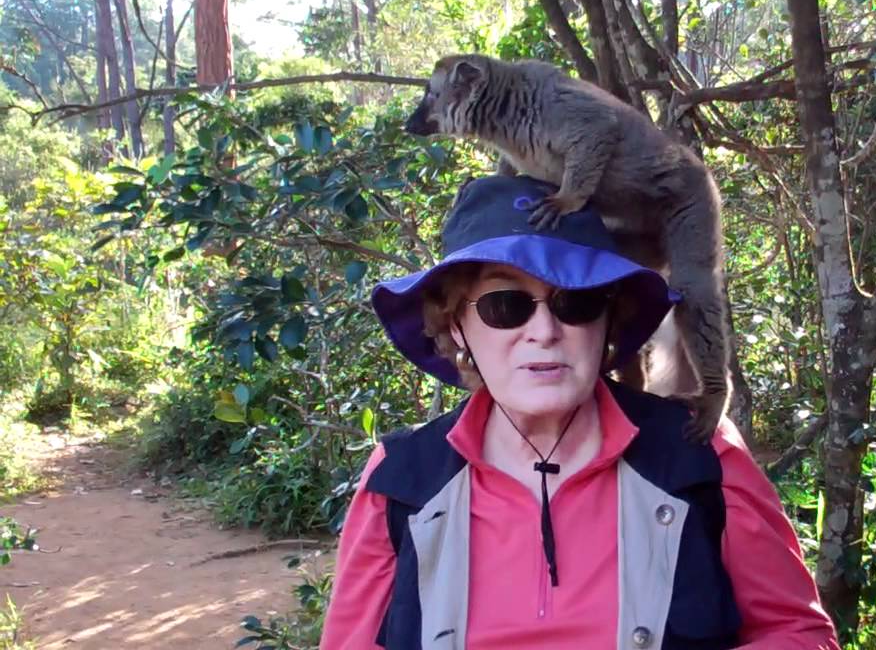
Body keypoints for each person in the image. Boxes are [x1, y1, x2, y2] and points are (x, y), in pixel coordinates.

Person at [319, 175, 839, 649]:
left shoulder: (700, 455)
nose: (544, 332)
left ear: (608, 320)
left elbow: (798, 633)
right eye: (506, 305)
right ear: (456, 327)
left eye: (576, 303)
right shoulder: (401, 480)